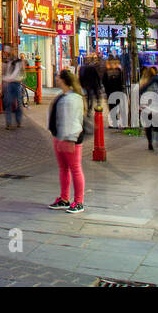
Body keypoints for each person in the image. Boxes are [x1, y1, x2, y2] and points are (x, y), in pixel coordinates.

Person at [47, 68, 87, 214]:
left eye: (58, 76)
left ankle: (79, 201)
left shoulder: (73, 98)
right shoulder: (62, 96)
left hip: (71, 138)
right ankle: (64, 198)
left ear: (63, 80)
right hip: (60, 136)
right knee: (63, 169)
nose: (56, 78)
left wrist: (70, 139)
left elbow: (73, 120)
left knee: (75, 169)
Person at [1, 48, 25, 130]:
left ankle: (18, 121)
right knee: (8, 103)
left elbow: (21, 73)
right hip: (9, 84)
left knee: (18, 103)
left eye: (13, 51)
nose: (11, 53)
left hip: (17, 83)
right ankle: (8, 123)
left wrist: (8, 78)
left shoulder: (19, 62)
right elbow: (5, 73)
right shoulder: (8, 62)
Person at [138, 66, 158, 151]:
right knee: (154, 123)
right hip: (154, 105)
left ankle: (150, 141)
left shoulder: (142, 81)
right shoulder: (155, 82)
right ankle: (155, 138)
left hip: (144, 105)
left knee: (147, 125)